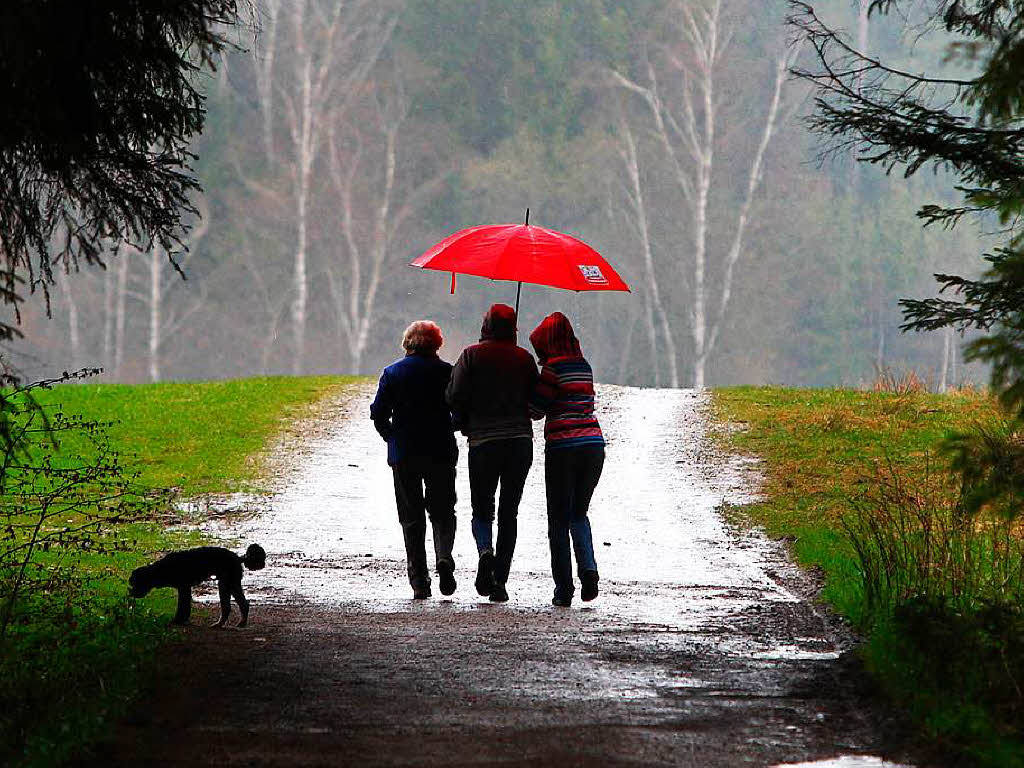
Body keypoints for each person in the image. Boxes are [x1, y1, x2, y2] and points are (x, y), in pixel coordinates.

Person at [447, 304, 538, 603]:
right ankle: (499, 581)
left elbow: (454, 396)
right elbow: (536, 403)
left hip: (484, 442)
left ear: (485, 324)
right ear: (513, 328)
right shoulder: (524, 358)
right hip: (520, 442)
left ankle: (485, 549)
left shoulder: (471, 355)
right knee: (509, 512)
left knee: (482, 508)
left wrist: (462, 420)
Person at [370, 320, 458, 600]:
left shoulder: (392, 373)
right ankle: (444, 556)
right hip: (440, 449)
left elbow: (378, 413)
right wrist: (450, 425)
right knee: (443, 509)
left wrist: (391, 437)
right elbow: (460, 409)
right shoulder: (447, 372)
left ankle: (419, 579)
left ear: (407, 342)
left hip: (405, 452)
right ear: (437, 343)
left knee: (411, 515)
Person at [528, 312, 605, 607]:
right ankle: (589, 570)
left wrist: (527, 390)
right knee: (579, 513)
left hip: (563, 449)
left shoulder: (553, 369)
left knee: (558, 521)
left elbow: (536, 409)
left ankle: (564, 589)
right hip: (594, 446)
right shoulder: (583, 366)